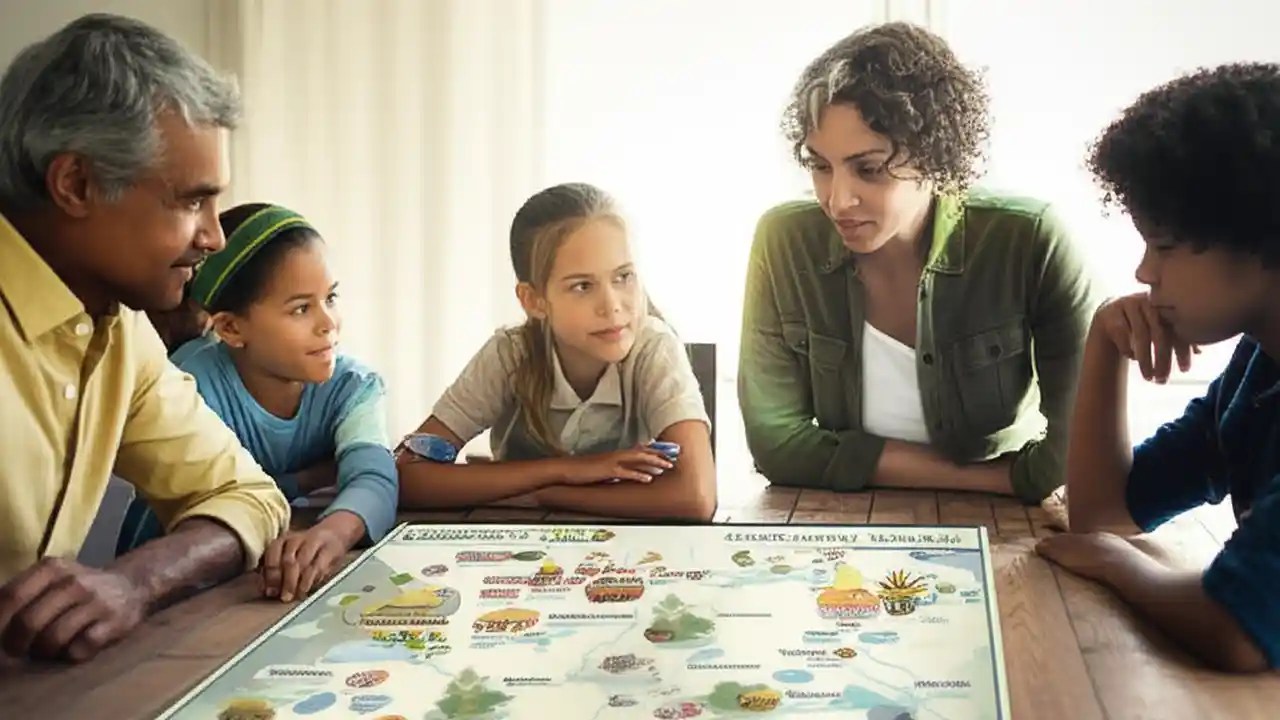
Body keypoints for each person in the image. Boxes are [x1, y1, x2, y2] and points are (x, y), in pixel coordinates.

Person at [0, 14, 289, 663]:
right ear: (75, 184)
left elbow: (247, 495)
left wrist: (134, 580)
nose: (215, 238)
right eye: (192, 202)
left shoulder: (119, 329)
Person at [738, 22, 1097, 502]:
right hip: (863, 511)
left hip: (1011, 524)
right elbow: (775, 443)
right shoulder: (783, 240)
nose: (837, 200)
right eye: (820, 166)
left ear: (935, 156)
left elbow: (1078, 446)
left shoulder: (1029, 239)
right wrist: (994, 479)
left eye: (868, 169)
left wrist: (1029, 478)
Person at [1037, 62, 1280, 673]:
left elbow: (1236, 632)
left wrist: (1122, 565)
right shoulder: (1259, 365)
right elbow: (1104, 515)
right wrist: (1104, 344)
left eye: (1165, 246)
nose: (1145, 273)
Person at [121, 203, 399, 602]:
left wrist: (332, 532)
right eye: (301, 308)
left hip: (259, 577)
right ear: (231, 328)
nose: (328, 323)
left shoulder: (353, 386)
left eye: (331, 297)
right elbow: (183, 513)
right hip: (170, 586)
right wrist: (307, 480)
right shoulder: (189, 383)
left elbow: (375, 477)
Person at [397, 182, 716, 520]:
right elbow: (408, 473)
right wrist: (565, 470)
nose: (612, 306)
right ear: (534, 300)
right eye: (582, 286)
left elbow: (695, 497)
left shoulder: (654, 349)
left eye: (623, 277)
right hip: (519, 544)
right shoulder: (511, 354)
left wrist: (543, 493)